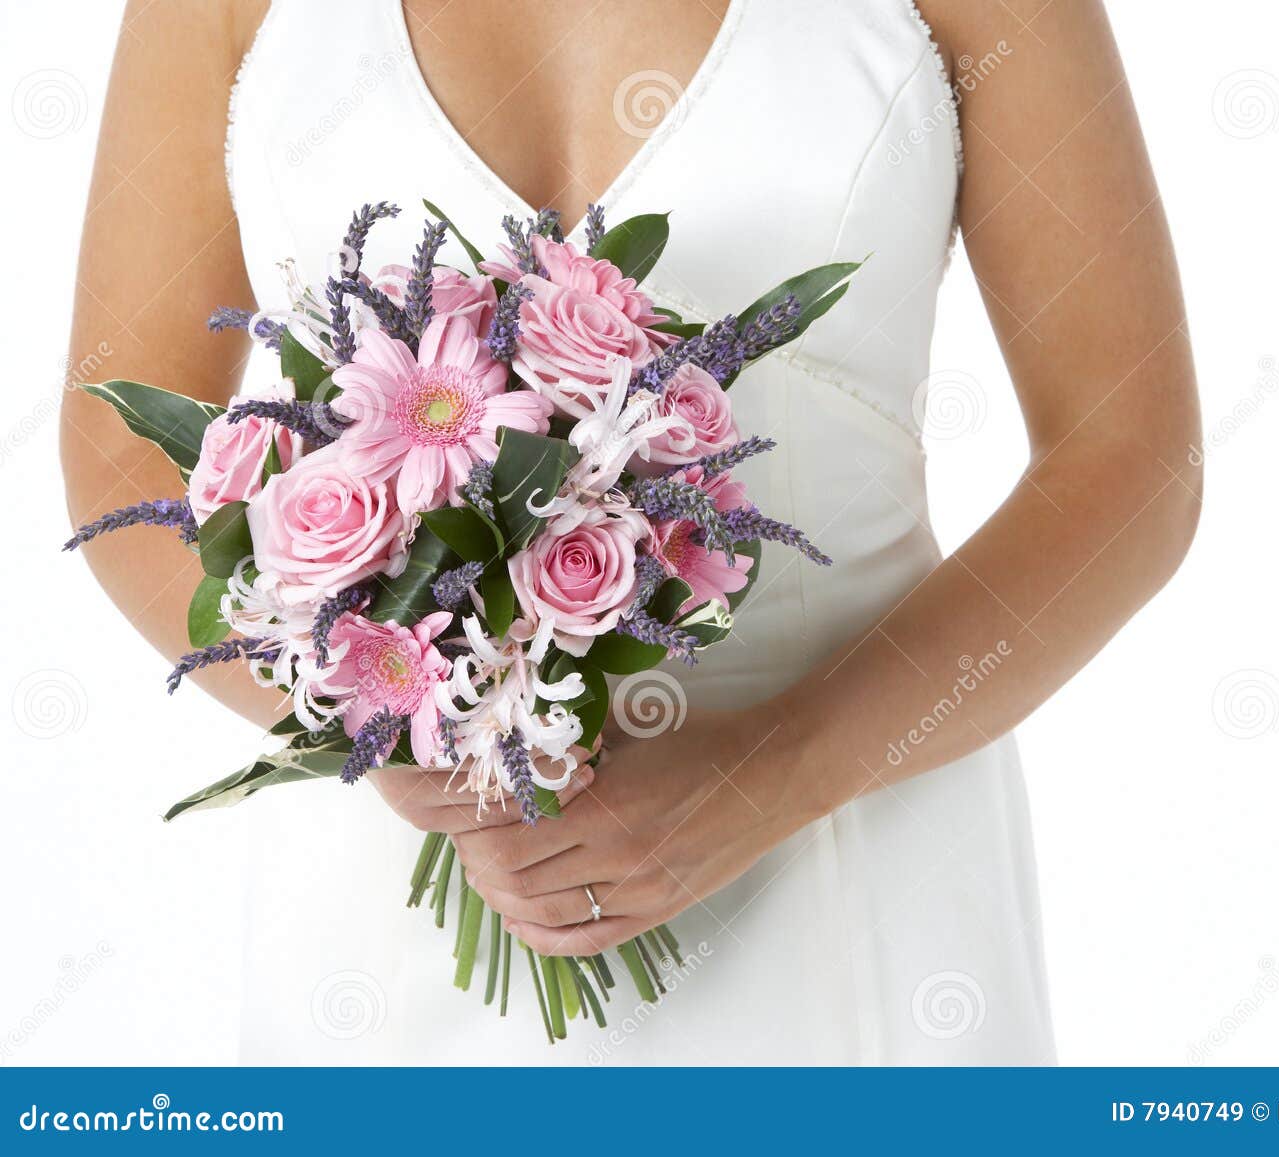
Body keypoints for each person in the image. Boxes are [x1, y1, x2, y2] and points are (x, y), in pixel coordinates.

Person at [60, 0, 1200, 1064]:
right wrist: (393, 729)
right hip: (404, 898)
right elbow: (122, 442)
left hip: (855, 868)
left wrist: (778, 768)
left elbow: (1130, 456)